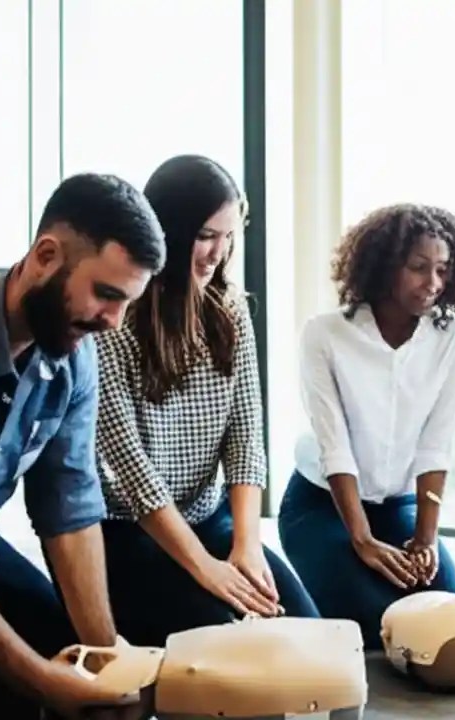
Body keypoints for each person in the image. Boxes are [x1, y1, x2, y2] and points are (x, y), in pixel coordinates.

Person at [0, 173, 166, 718]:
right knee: (4, 691)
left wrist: (106, 660)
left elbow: (68, 508)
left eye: (127, 305)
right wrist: (42, 683)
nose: (113, 323)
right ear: (46, 256)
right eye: (106, 294)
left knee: (87, 679)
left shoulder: (76, 358)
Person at [93, 155, 318, 647]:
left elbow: (244, 436)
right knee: (233, 642)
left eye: (229, 235)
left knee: (307, 633)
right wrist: (205, 570)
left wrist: (247, 545)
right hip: (129, 533)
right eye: (206, 235)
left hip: (209, 517)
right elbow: (129, 468)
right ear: (170, 231)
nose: (219, 251)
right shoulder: (115, 319)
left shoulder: (231, 309)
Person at [278, 203, 455, 649]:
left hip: (398, 505)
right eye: (418, 268)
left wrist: (426, 539)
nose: (433, 284)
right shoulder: (324, 334)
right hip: (320, 506)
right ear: (386, 265)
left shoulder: (452, 342)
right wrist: (363, 540)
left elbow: (435, 446)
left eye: (443, 270)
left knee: (450, 622)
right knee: (375, 625)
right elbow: (335, 448)